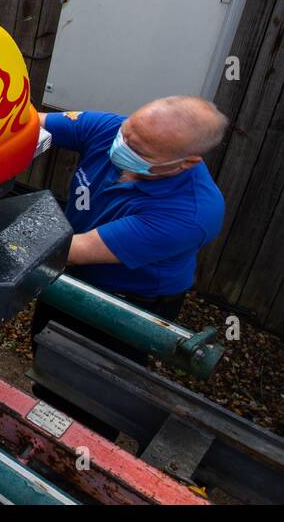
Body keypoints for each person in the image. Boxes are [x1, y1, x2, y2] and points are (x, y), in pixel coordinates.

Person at [32, 96, 227, 435]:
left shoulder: (191, 213)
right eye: (127, 133)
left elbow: (75, 250)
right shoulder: (116, 129)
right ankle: (41, 420)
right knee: (48, 351)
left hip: (127, 303)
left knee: (95, 392)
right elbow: (32, 122)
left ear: (185, 162)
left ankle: (77, 457)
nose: (121, 146)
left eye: (140, 151)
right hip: (71, 273)